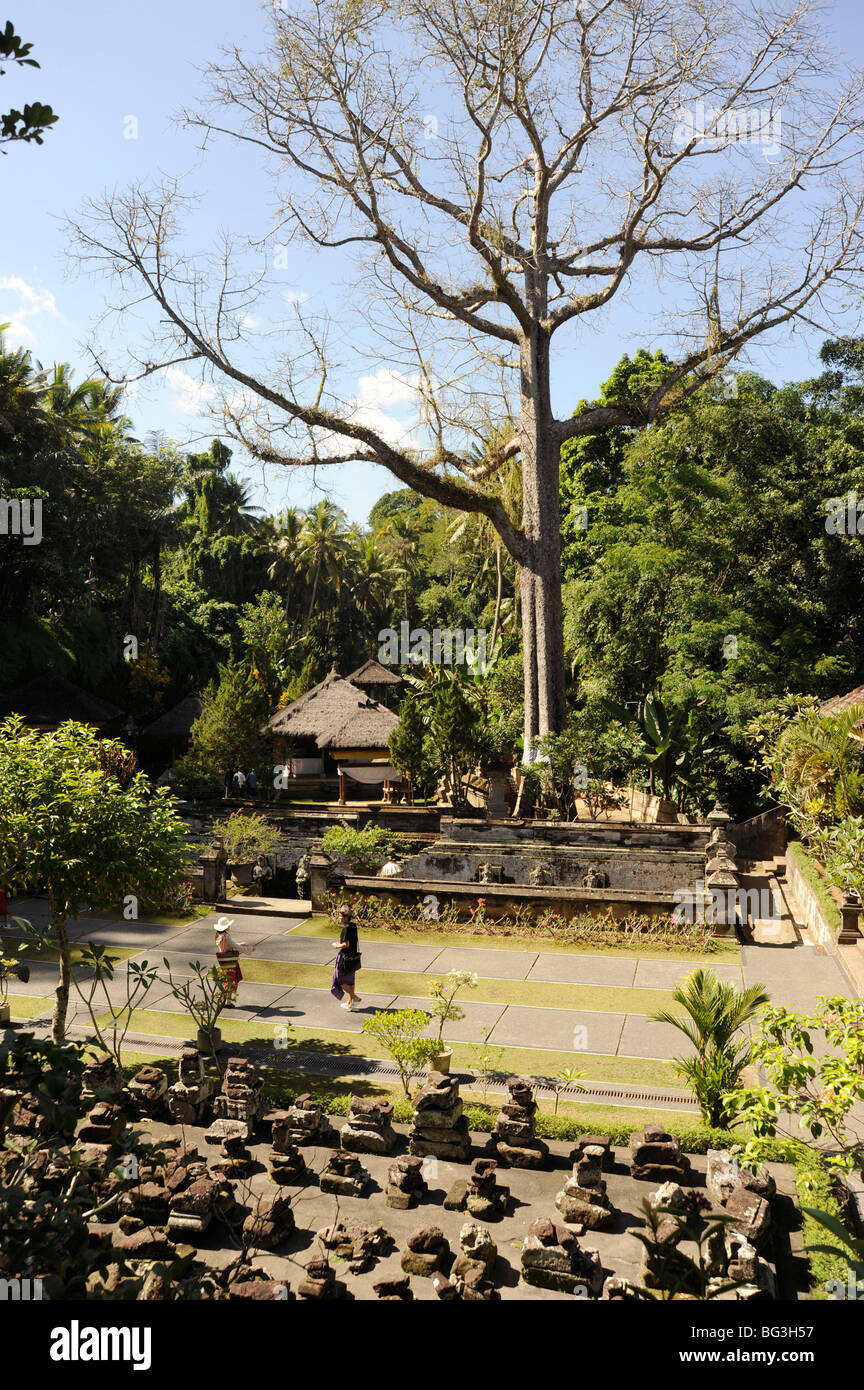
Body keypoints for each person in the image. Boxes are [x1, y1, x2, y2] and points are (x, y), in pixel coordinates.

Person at [213, 916, 255, 1007]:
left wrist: (241, 944)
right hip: (230, 962)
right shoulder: (226, 936)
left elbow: (230, 946)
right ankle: (225, 1000)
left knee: (229, 980)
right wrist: (249, 949)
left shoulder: (218, 935)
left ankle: (225, 999)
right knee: (231, 981)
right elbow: (235, 947)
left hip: (225, 961)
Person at [330, 902, 362, 1012]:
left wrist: (336, 945)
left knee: (339, 980)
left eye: (340, 916)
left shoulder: (345, 929)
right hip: (353, 957)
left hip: (345, 957)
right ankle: (350, 1003)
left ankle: (355, 997)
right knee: (350, 980)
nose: (338, 918)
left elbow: (346, 944)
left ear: (345, 918)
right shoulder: (353, 926)